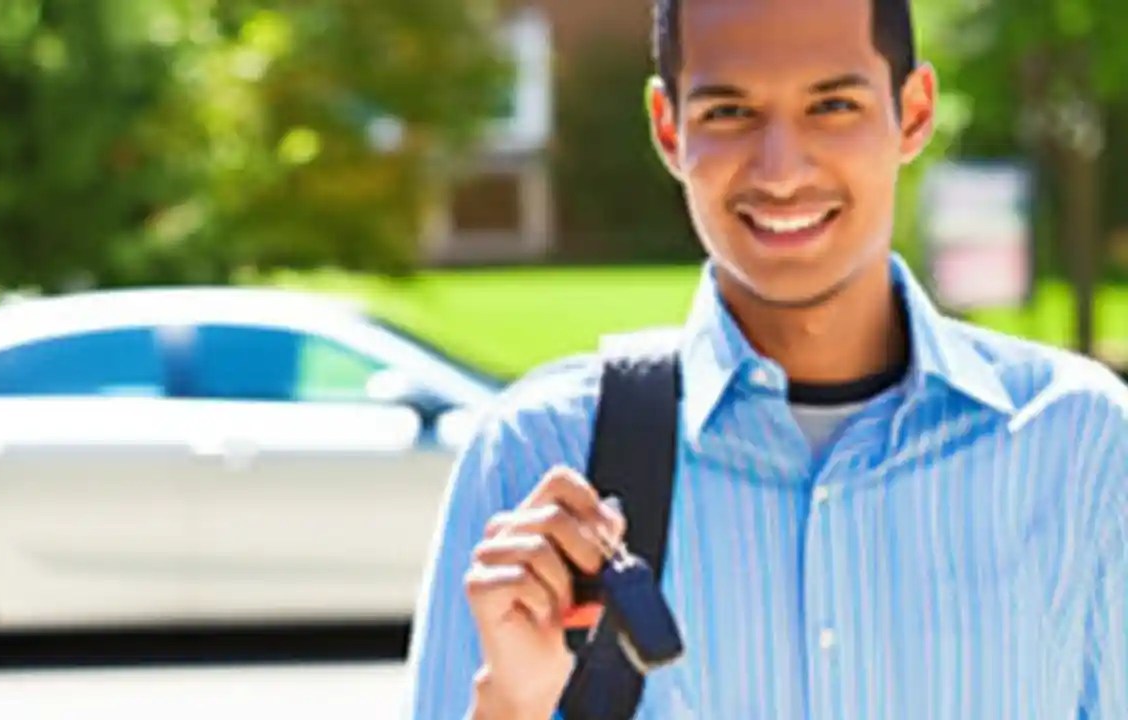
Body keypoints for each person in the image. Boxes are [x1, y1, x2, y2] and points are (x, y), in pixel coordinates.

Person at [403, 0, 1128, 716]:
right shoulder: (535, 456)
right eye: (729, 113)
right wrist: (512, 708)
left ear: (912, 113)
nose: (781, 171)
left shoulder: (1082, 445)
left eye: (833, 105)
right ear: (668, 127)